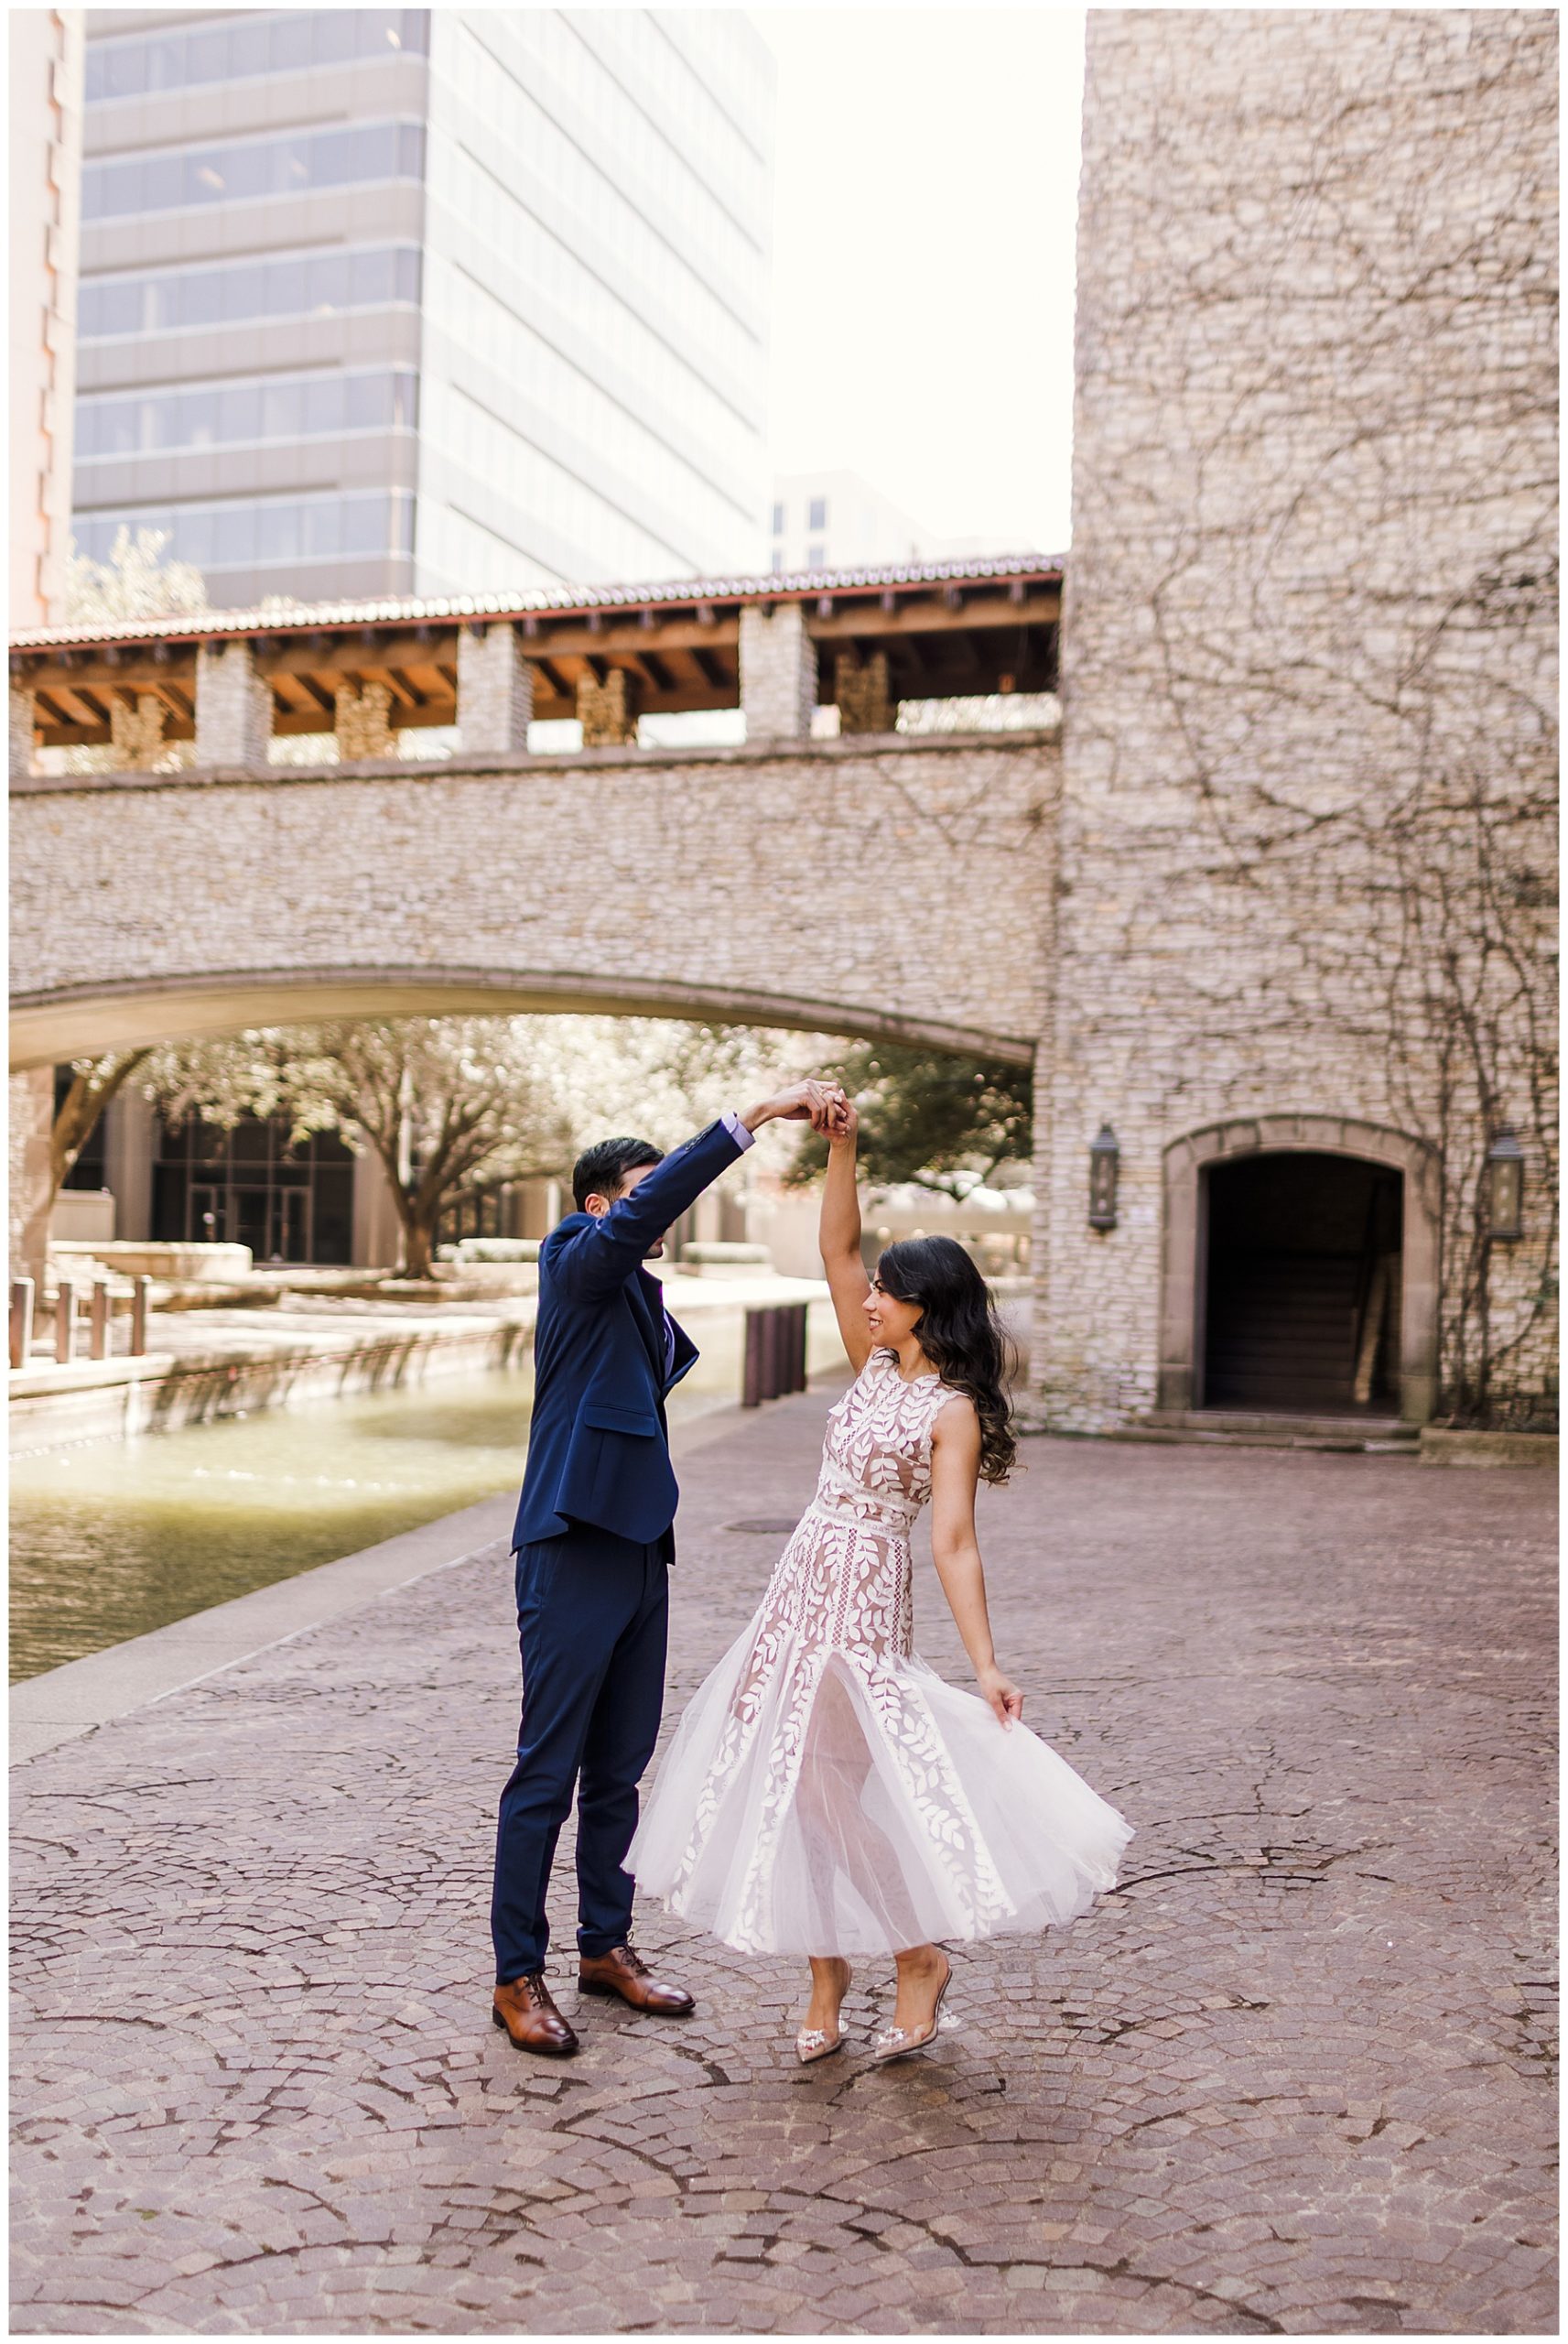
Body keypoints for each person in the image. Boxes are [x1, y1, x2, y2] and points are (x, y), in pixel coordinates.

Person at [630, 1097, 1132, 2063]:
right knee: (793, 1781)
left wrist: (984, 1663)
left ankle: (913, 1956)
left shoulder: (950, 1410)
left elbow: (953, 1541)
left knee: (829, 1787)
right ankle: (828, 1963)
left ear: (926, 1306)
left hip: (862, 1591)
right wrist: (844, 1147)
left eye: (888, 1293)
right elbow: (835, 1247)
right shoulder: (871, 1367)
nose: (868, 1300)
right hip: (797, 1584)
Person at [490, 1079, 845, 2056]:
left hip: (643, 1548)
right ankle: (515, 1974)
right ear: (603, 1204)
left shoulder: (639, 1300)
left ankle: (605, 1949)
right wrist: (756, 1116)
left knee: (618, 1774)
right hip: (570, 1547)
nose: (668, 1212)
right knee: (545, 1773)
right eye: (648, 1194)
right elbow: (648, 1206)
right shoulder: (572, 1256)